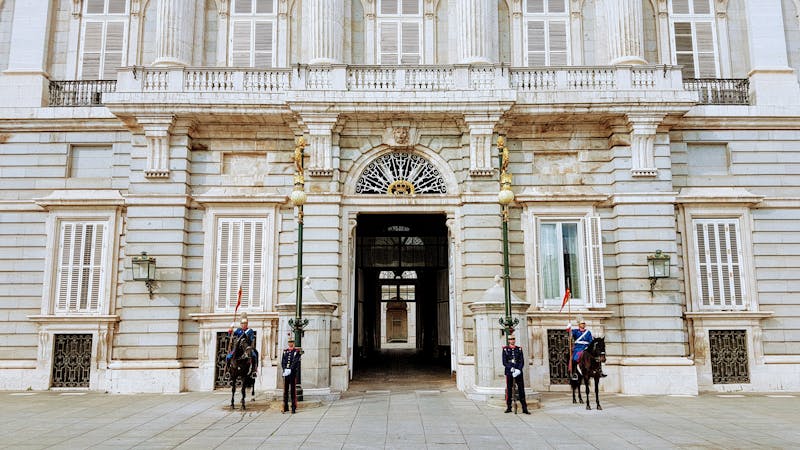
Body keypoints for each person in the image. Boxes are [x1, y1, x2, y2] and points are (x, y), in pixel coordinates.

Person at [501, 334, 530, 414]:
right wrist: (511, 368)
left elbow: (522, 361)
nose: (512, 341)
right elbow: (504, 362)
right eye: (511, 339)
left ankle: (524, 408)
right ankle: (509, 407)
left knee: (521, 389)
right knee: (509, 389)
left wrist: (518, 369)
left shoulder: (519, 349)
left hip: (518, 372)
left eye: (513, 339)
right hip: (509, 372)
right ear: (508, 341)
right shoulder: (505, 349)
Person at [281, 335, 302, 413]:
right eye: (289, 342)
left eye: (292, 342)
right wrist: (284, 369)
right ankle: (285, 406)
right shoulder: (285, 351)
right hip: (286, 373)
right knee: (285, 390)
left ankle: (293, 407)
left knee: (293, 391)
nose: (290, 343)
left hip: (292, 373)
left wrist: (290, 369)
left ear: (293, 343)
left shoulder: (296, 351)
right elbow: (283, 361)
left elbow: (296, 361)